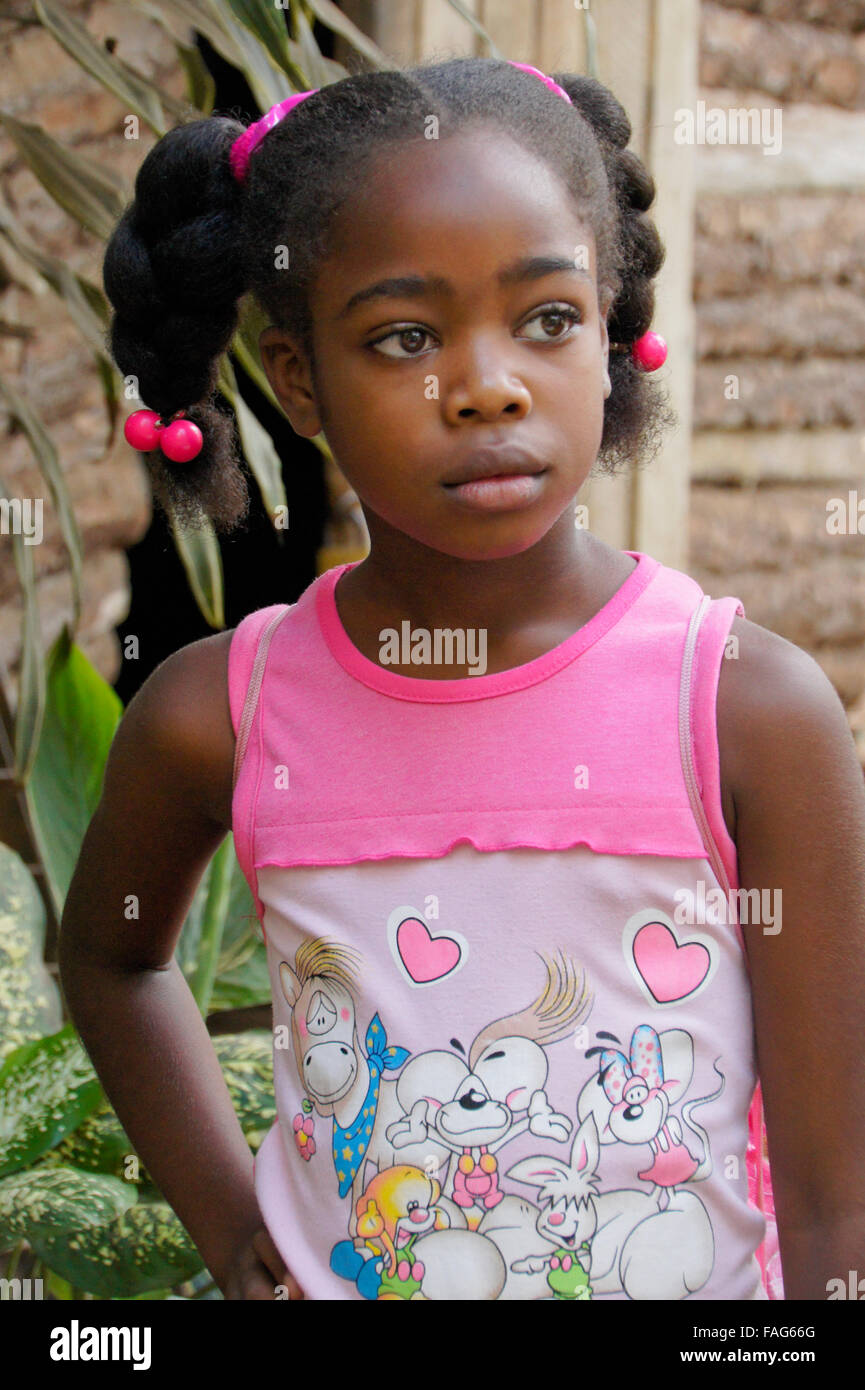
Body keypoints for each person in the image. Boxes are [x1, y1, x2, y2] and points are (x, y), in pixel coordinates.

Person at [59, 55, 865, 1302]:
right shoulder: (222, 713)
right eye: (404, 336)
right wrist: (232, 1227)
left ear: (607, 334)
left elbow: (833, 1197)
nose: (484, 383)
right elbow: (112, 957)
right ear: (297, 378)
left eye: (546, 318)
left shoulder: (745, 710)